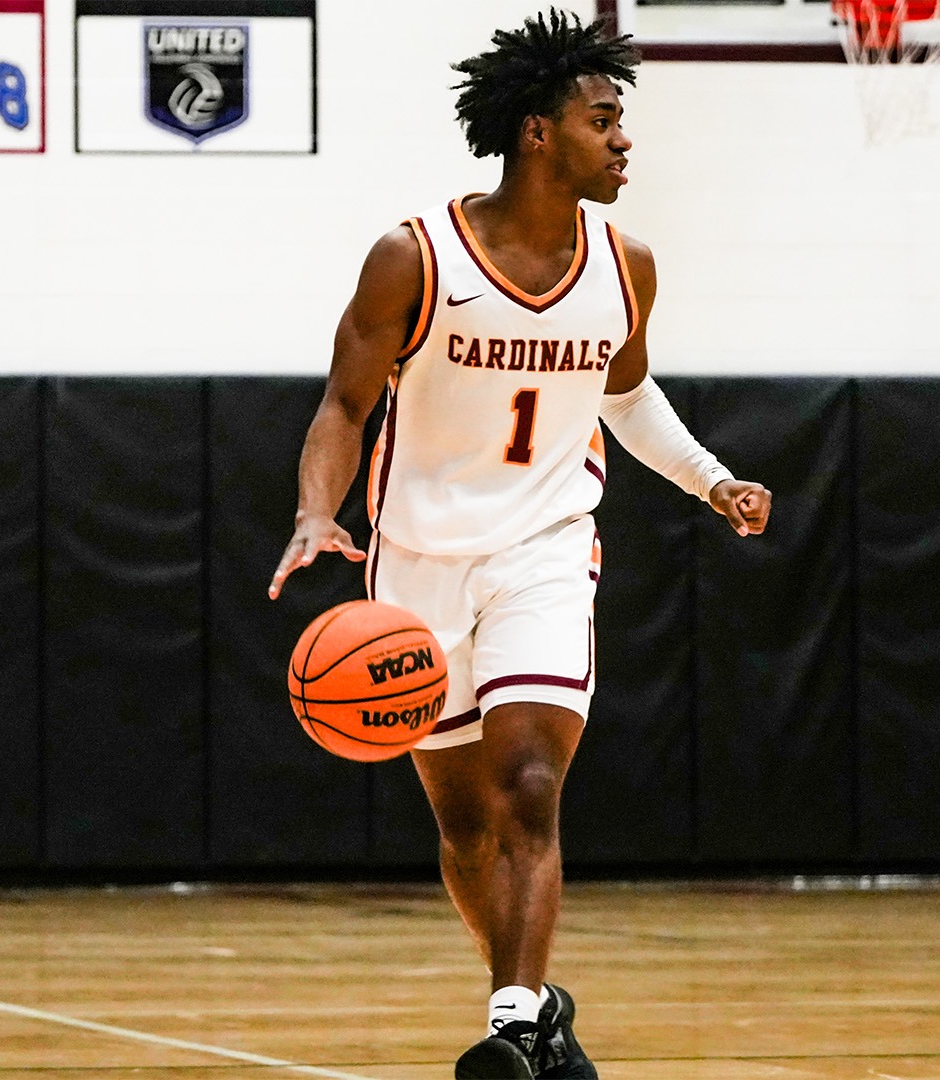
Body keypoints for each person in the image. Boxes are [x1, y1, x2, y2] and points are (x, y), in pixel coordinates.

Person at [268, 9, 771, 1078]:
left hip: (544, 549)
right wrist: (319, 514)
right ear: (538, 132)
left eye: (621, 121)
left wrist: (712, 480)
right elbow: (343, 408)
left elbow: (626, 400)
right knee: (464, 830)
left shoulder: (624, 263)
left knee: (531, 785)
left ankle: (508, 1026)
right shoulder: (415, 256)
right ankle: (537, 1007)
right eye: (603, 120)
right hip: (413, 567)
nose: (623, 140)